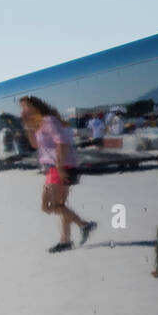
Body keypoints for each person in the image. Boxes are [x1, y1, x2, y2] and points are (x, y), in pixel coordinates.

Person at [20, 96, 95, 252]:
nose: (23, 110)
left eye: (25, 107)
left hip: (62, 165)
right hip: (52, 167)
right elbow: (35, 145)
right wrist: (28, 127)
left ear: (35, 106)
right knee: (52, 206)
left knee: (52, 205)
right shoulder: (39, 123)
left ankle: (82, 226)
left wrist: (60, 167)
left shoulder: (49, 121)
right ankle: (68, 238)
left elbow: (62, 142)